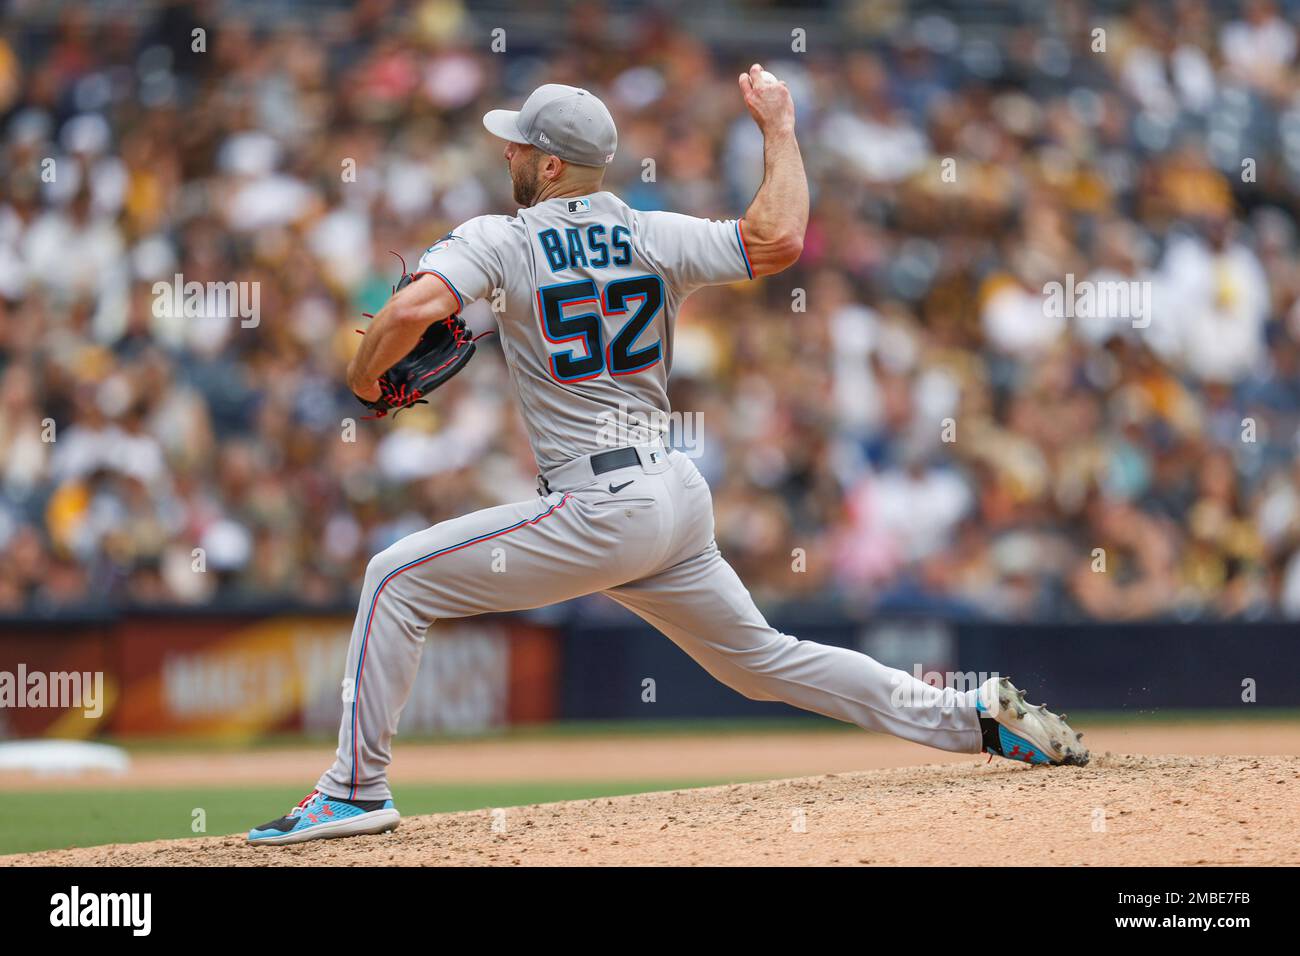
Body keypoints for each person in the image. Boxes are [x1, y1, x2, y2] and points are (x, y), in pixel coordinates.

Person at [248, 66, 1087, 846]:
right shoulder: (653, 233)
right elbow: (780, 237)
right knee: (762, 661)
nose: (507, 150)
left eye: (520, 143)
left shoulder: (500, 239)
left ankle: (355, 789)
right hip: (673, 497)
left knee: (395, 577)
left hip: (598, 507)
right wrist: (781, 128)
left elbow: (412, 311)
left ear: (548, 168)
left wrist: (363, 382)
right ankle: (974, 716)